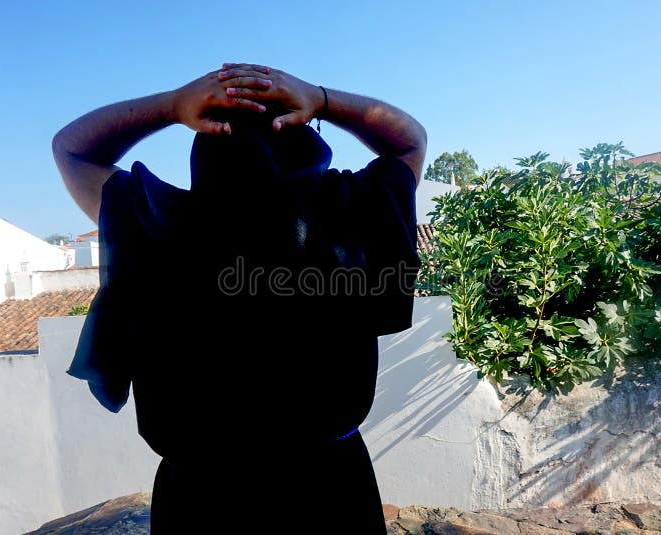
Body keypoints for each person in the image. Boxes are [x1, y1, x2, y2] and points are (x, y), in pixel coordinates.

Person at [52, 62, 426, 532]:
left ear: (206, 143)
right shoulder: (351, 219)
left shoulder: (157, 224)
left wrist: (171, 105)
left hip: (201, 498)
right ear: (303, 139)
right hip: (332, 490)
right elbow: (409, 140)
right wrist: (323, 99)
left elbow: (72, 149)